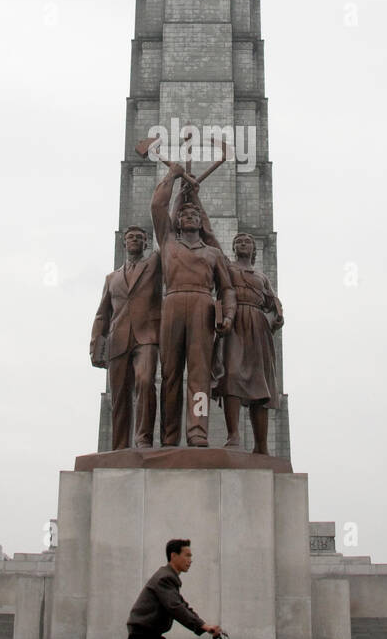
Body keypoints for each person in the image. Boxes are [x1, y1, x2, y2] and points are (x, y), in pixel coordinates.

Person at [150, 164, 236, 446]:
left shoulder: (213, 253)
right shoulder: (168, 242)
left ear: (201, 221)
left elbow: (227, 289)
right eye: (184, 213)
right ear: (177, 220)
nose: (188, 216)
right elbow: (157, 204)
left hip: (202, 305)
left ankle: (197, 430)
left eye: (194, 214)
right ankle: (169, 434)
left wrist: (229, 315)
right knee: (170, 373)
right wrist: (172, 176)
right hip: (173, 303)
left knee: (199, 373)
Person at [90, 227, 161, 449]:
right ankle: (119, 446)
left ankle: (143, 438)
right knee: (119, 395)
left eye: (140, 238)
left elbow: (164, 233)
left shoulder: (152, 266)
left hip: (146, 337)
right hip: (118, 340)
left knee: (145, 381)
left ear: (146, 243)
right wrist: (96, 347)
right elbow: (102, 314)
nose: (135, 241)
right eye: (131, 238)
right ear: (124, 243)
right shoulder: (111, 278)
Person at [213, 232, 283, 454]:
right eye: (239, 242)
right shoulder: (228, 268)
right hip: (233, 322)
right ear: (234, 248)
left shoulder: (261, 277)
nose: (243, 244)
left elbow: (275, 305)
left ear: (254, 250)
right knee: (231, 374)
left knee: (259, 383)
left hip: (258, 327)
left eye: (248, 242)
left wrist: (273, 319)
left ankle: (261, 445)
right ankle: (233, 435)